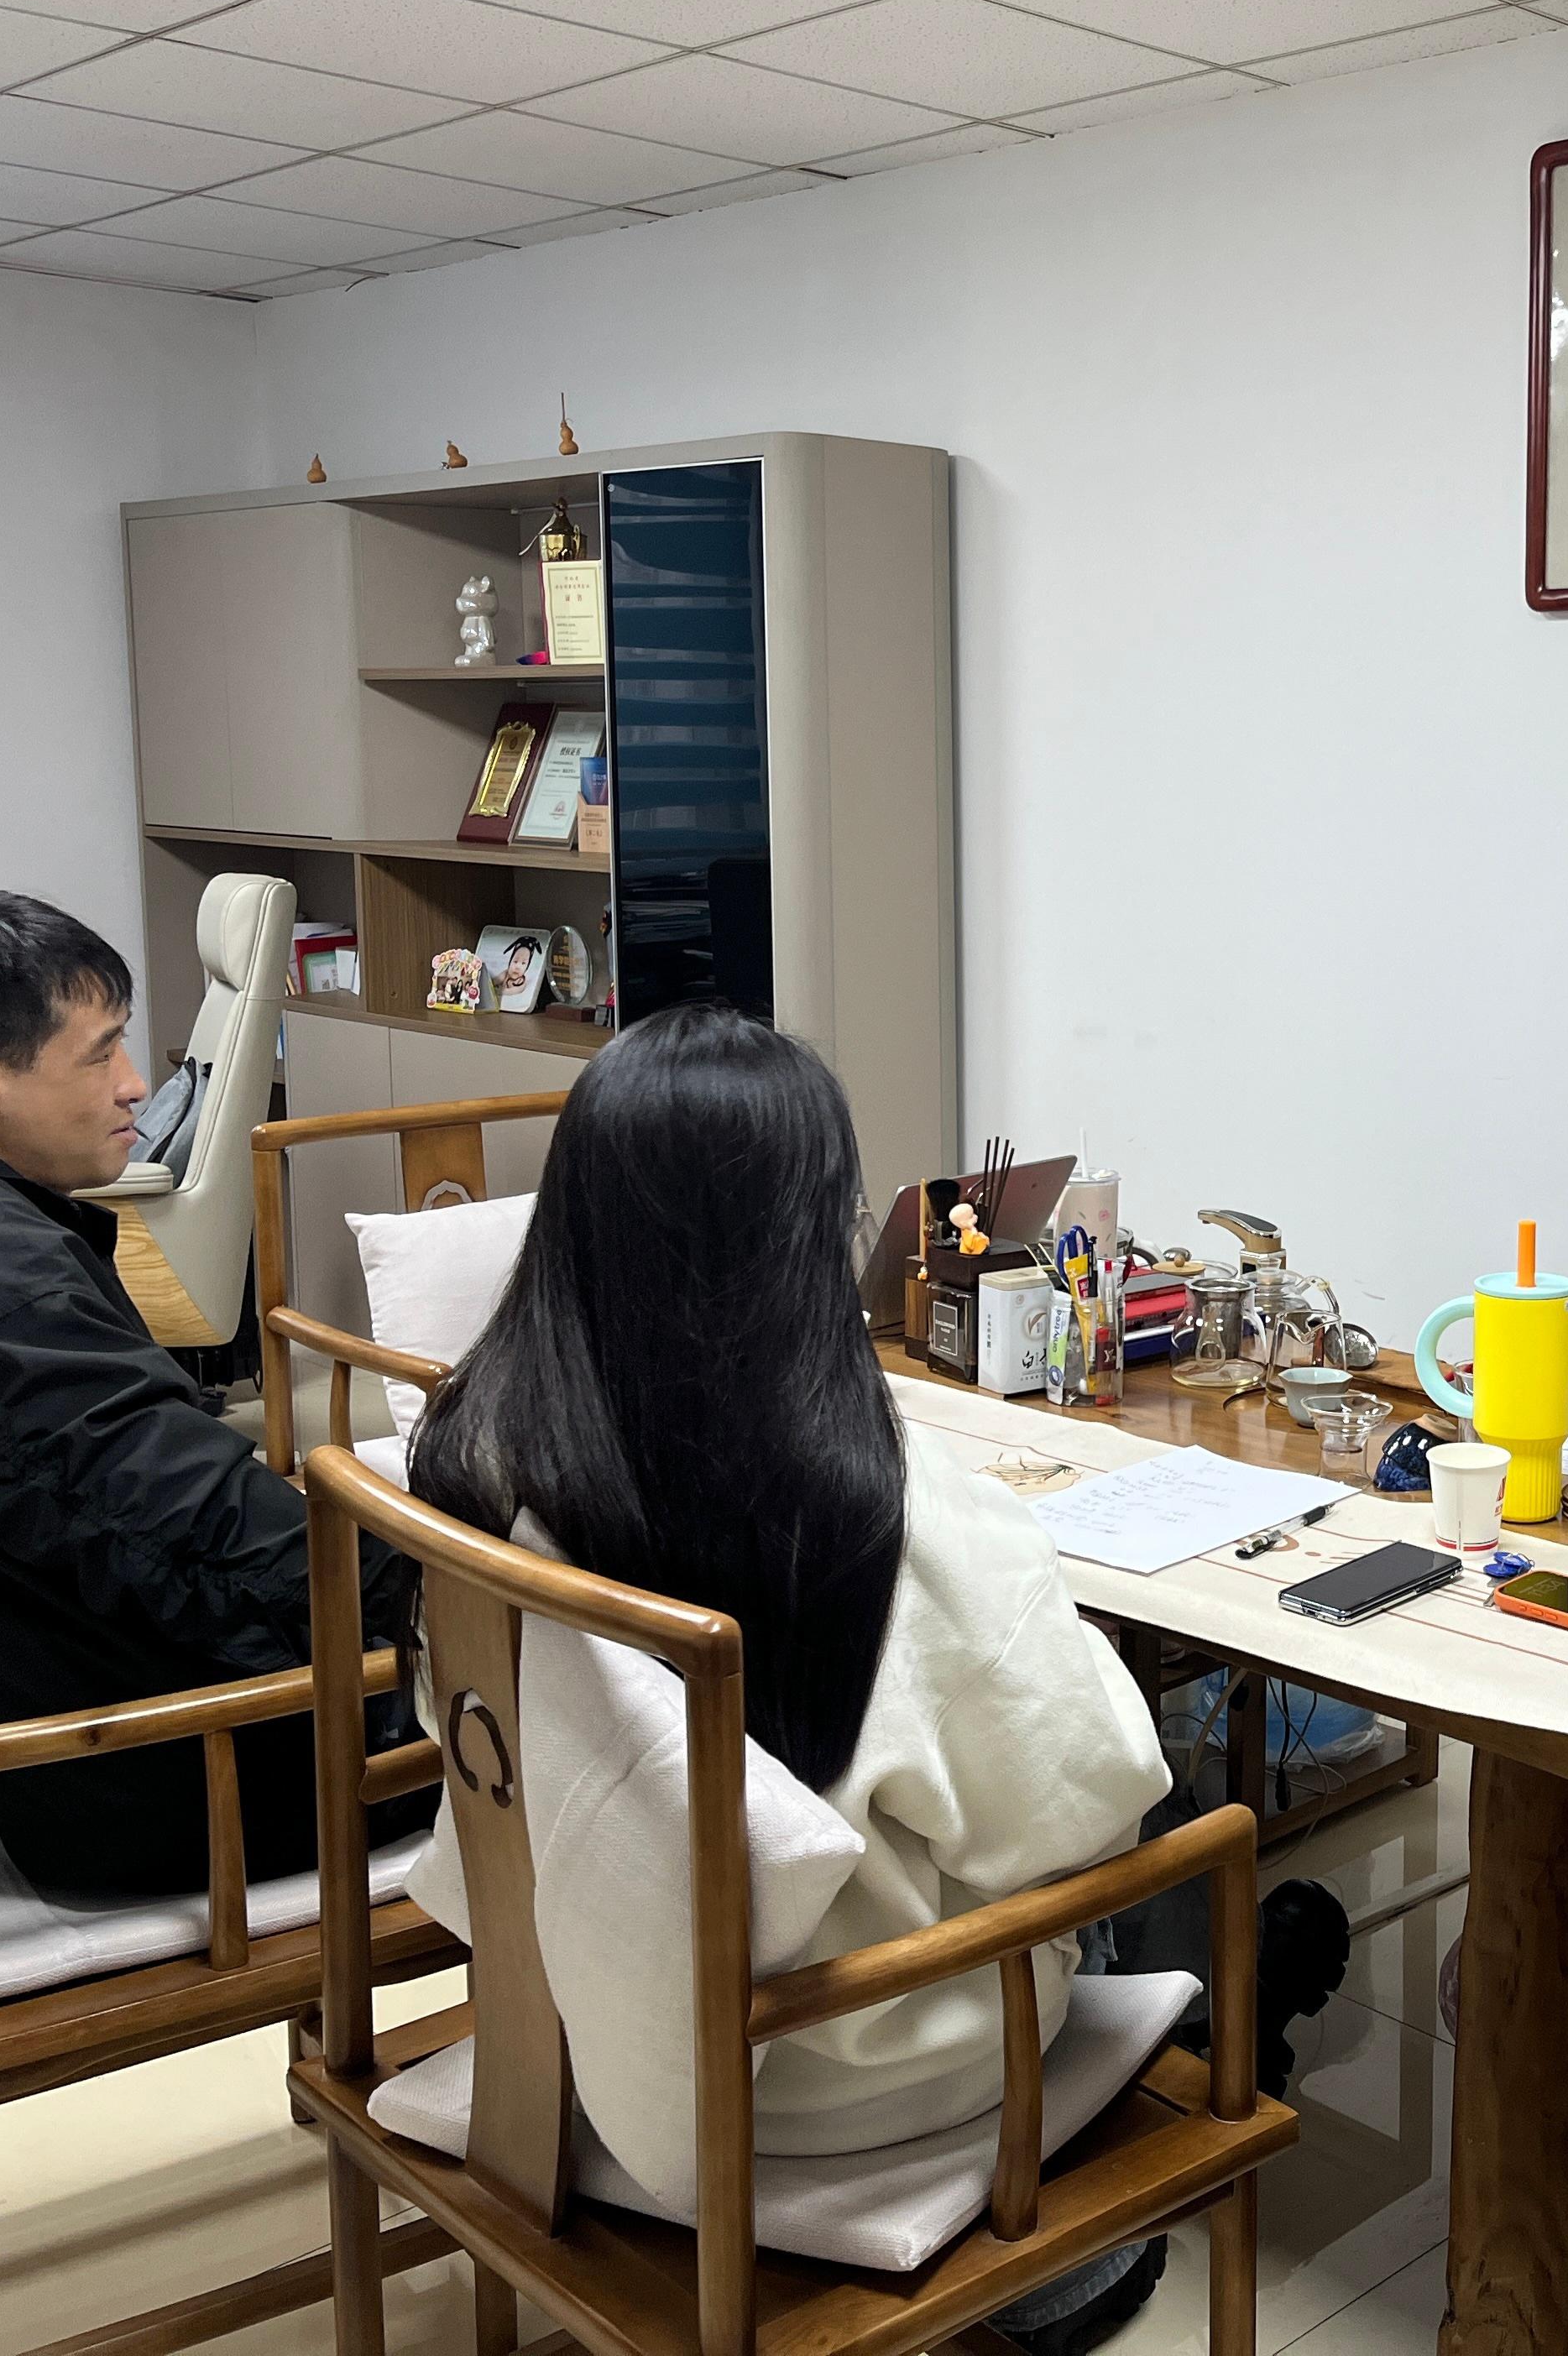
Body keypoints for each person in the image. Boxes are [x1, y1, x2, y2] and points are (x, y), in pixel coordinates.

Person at [407, 1005, 1280, 2354]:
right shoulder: (896, 1511)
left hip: (599, 2015)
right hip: (855, 2079)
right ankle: (1082, 2241)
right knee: (1173, 1841)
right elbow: (1091, 1801)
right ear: (811, 1236)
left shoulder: (482, 1453)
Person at [0, 891, 426, 1894]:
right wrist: (434, 1592)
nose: (136, 1086)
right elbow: (189, 1524)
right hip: (142, 1775)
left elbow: (134, 1497)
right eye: (100, 1055)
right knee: (565, 1705)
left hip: (36, 1719)